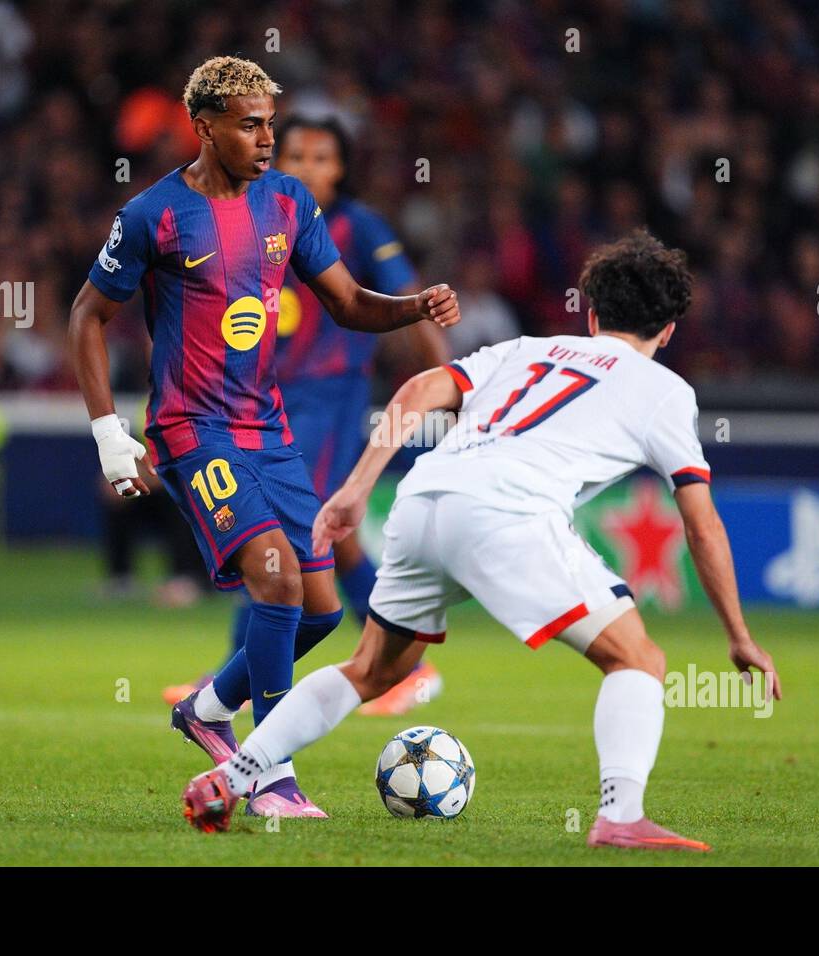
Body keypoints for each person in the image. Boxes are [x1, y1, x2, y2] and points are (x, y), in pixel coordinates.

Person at [180, 230, 780, 849]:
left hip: (423, 499)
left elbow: (418, 390)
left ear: (593, 314)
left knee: (370, 669)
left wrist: (357, 489)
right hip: (507, 515)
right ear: (670, 330)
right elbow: (701, 522)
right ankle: (620, 816)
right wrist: (739, 635)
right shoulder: (666, 393)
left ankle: (233, 776)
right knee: (638, 660)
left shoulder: (528, 349)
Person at [68, 56, 460, 819]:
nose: (267, 138)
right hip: (192, 428)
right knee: (276, 580)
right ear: (205, 127)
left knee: (318, 609)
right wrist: (110, 435)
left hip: (267, 428)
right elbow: (87, 315)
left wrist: (413, 306)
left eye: (270, 123)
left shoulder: (287, 202)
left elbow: (347, 303)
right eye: (250, 124)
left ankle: (208, 709)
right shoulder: (154, 215)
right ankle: (268, 776)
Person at [161, 115, 447, 716]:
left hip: (327, 397)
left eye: (320, 158)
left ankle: (228, 683)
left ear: (340, 168)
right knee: (328, 546)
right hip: (261, 399)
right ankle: (406, 665)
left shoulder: (359, 227)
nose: (306, 169)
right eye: (295, 156)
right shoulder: (255, 217)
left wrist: (443, 385)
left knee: (283, 534)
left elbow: (405, 301)